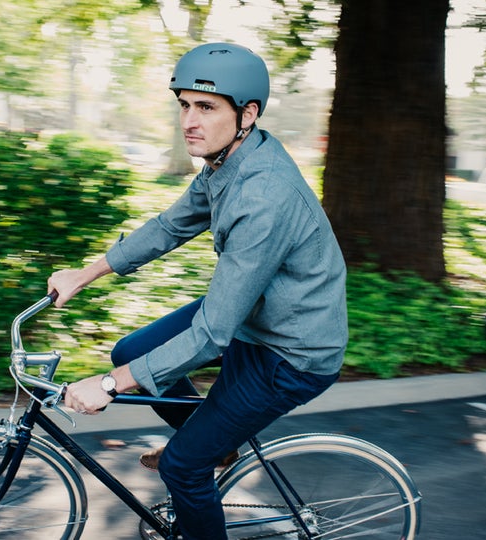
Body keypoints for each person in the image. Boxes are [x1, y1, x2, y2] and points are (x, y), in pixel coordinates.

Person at [47, 42, 348, 540]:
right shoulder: (226, 161)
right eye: (184, 105)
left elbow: (211, 335)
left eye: (206, 107)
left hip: (290, 354)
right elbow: (170, 226)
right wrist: (86, 273)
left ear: (247, 114)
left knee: (182, 469)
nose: (189, 120)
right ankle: (213, 442)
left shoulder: (264, 196)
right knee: (133, 351)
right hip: (257, 318)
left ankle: (199, 452)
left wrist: (105, 386)